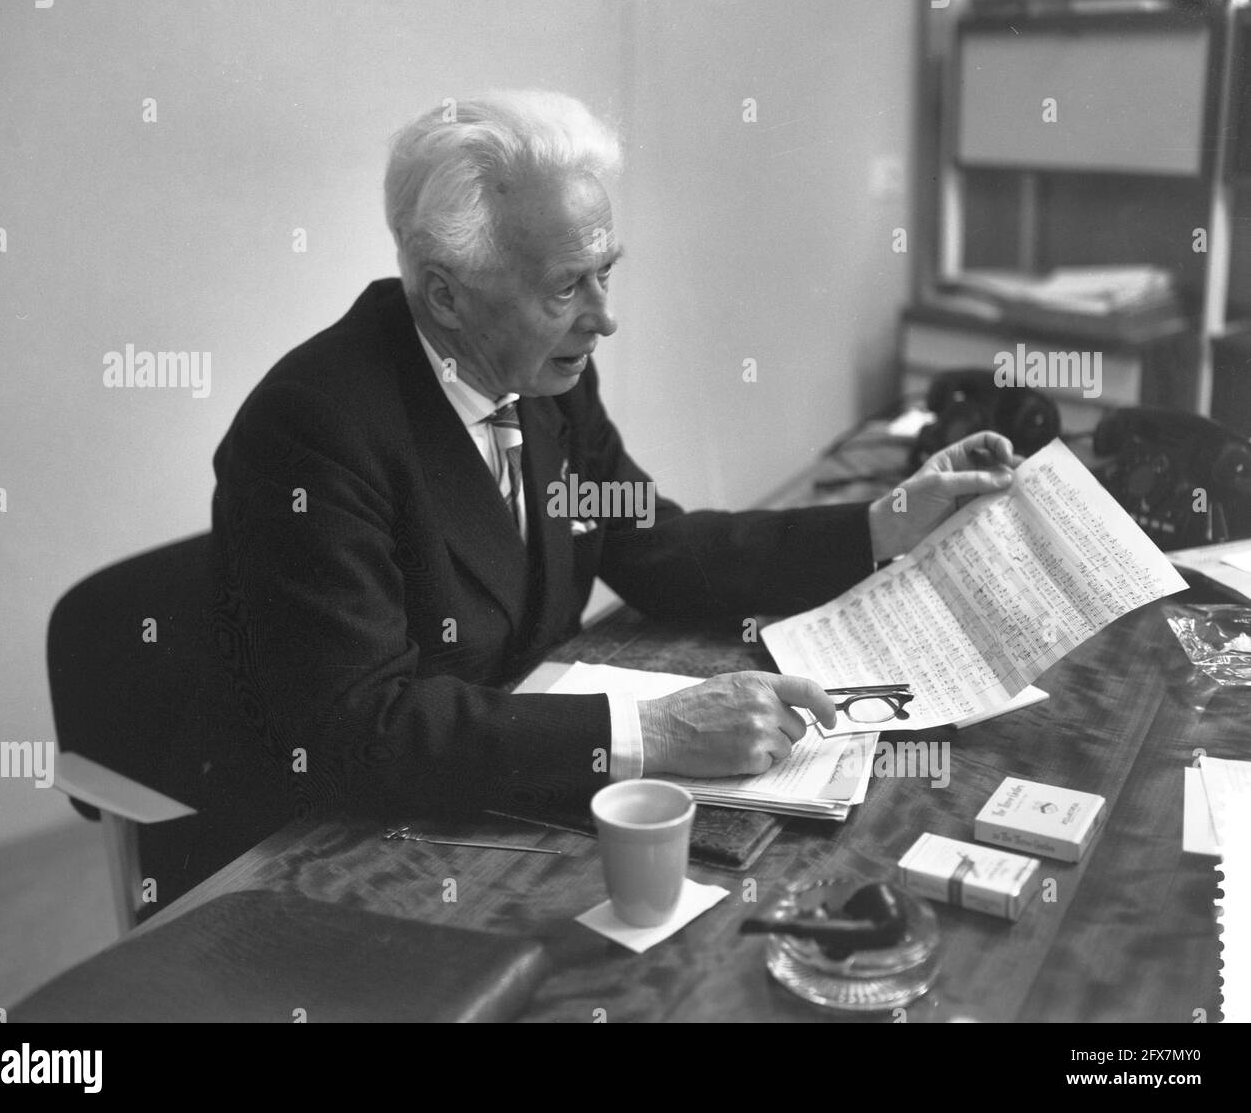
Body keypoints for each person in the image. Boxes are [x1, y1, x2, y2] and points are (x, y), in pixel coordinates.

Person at [205, 89, 1018, 851]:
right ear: (446, 296)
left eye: (607, 271)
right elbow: (364, 731)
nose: (605, 317)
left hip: (522, 785)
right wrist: (654, 734)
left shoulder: (543, 373)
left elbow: (652, 544)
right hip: (356, 845)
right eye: (566, 287)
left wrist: (883, 524)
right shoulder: (312, 430)